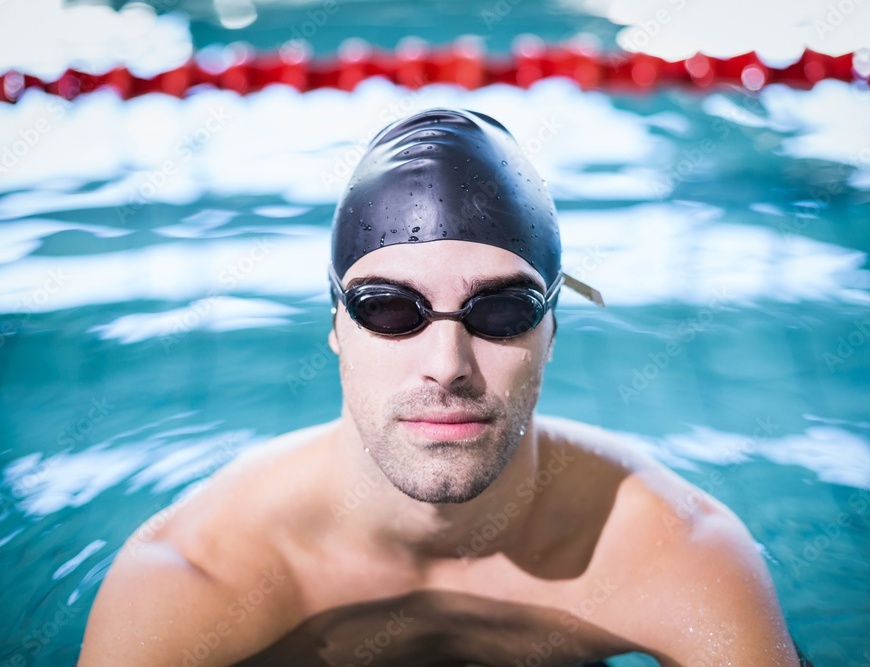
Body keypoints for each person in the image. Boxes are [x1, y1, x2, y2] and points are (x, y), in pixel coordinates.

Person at [79, 109, 804, 666]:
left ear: (552, 330)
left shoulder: (676, 554)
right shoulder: (192, 577)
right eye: (390, 308)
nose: (447, 361)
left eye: (501, 311)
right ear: (336, 324)